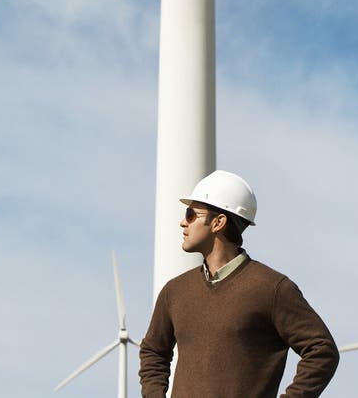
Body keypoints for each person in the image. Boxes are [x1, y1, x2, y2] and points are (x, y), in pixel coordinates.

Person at [139, 170, 339, 397]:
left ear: (218, 222)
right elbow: (153, 351)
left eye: (191, 214)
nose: (183, 222)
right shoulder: (174, 292)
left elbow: (322, 350)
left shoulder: (272, 289)